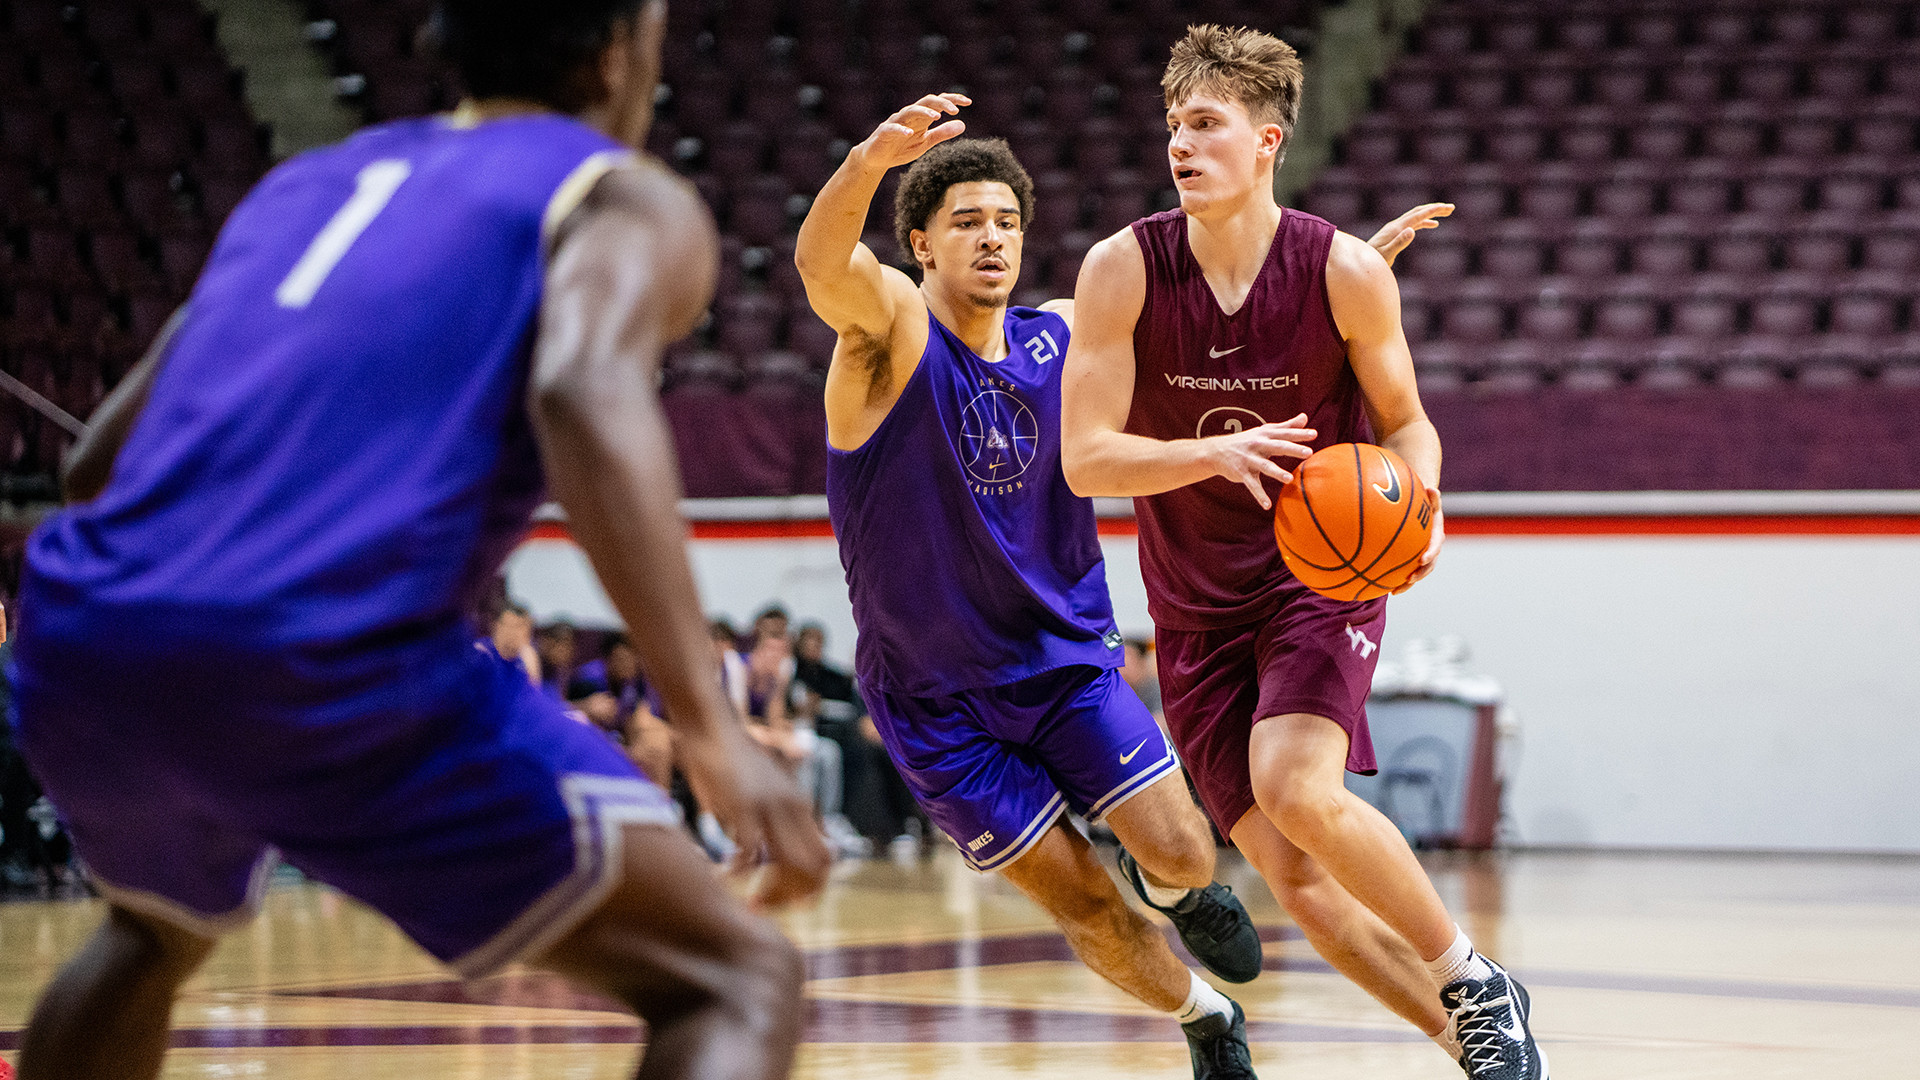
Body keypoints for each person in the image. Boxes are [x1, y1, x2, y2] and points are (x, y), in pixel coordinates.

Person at [5, 4, 830, 1080]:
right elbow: (582, 393)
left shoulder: (308, 183)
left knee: (150, 931)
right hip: (322, 652)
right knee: (736, 979)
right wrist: (710, 727)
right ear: (620, 47)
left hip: (82, 636)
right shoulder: (615, 194)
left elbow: (95, 461)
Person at [1060, 25, 1544, 1080]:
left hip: (1314, 578)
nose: (1181, 146)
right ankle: (1472, 1043)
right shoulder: (1122, 270)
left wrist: (1424, 502)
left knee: (1297, 786)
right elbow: (1088, 459)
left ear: (1268, 138)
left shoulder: (1345, 270)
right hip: (1194, 609)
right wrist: (1210, 450)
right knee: (1303, 884)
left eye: (1206, 125)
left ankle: (1472, 976)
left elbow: (1409, 424)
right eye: (1173, 126)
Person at [488, 602, 542, 686]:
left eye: (520, 627)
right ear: (496, 626)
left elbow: (533, 692)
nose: (514, 633)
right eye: (510, 626)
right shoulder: (482, 653)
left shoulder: (526, 658)